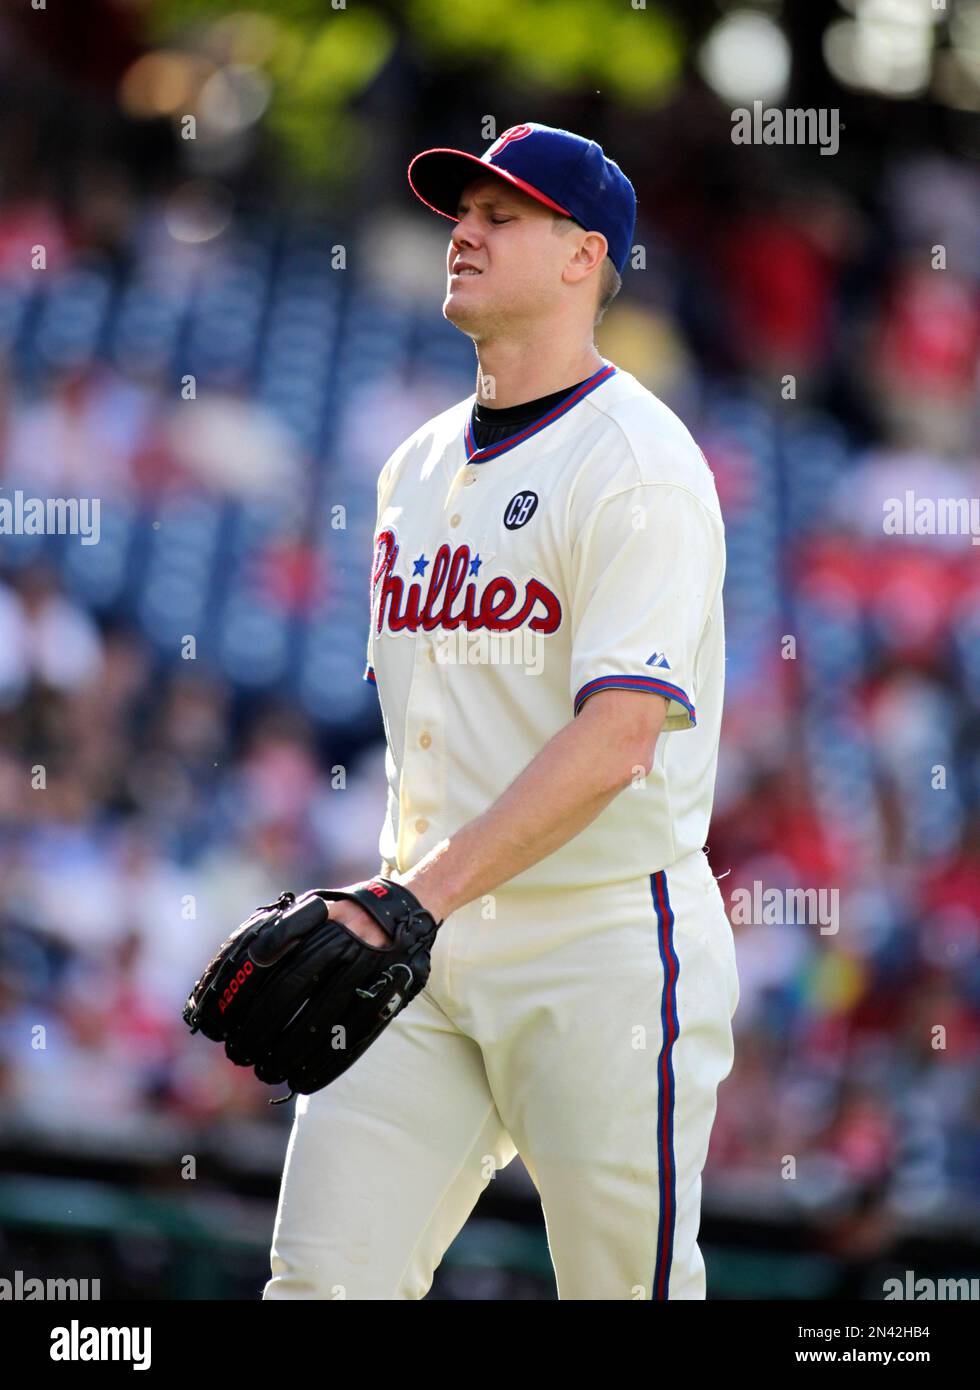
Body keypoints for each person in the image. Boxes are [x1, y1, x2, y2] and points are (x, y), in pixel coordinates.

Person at [263, 122, 739, 1301]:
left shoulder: (638, 463)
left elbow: (619, 736)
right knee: (321, 1284)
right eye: (459, 211)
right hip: (423, 931)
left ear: (584, 256)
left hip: (603, 947)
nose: (462, 232)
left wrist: (413, 897)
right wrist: (405, 894)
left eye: (502, 215)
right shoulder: (413, 466)